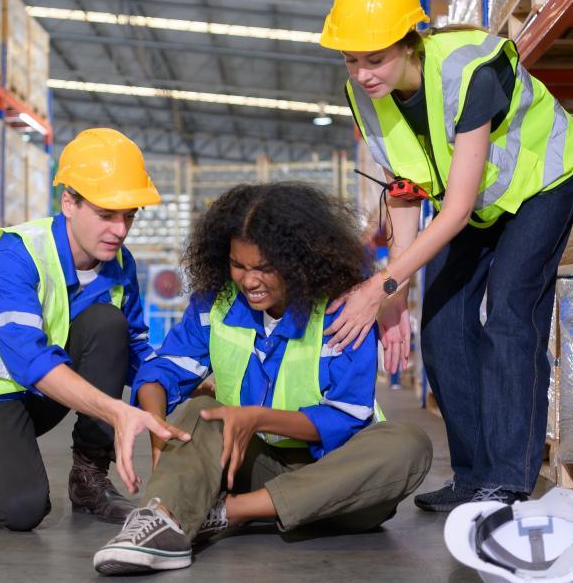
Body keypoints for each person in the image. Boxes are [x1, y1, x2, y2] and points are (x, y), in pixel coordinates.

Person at [317, 0, 573, 512]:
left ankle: (509, 481)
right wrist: (393, 296)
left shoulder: (469, 70)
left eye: (376, 58)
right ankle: (473, 477)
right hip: (475, 204)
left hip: (541, 182)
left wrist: (380, 287)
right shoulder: (365, 96)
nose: (364, 74)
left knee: (510, 312)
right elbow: (404, 189)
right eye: (351, 60)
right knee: (441, 325)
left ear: (409, 43)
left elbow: (458, 209)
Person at [92, 182, 432, 574]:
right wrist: (155, 426)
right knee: (201, 410)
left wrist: (256, 418)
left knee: (409, 444)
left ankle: (225, 513)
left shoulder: (343, 310)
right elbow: (163, 370)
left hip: (340, 481)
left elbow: (348, 417)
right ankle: (160, 519)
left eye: (264, 269)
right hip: (249, 465)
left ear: (299, 261)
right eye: (239, 265)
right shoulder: (215, 304)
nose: (249, 280)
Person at [0, 128, 190, 531]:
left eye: (129, 216)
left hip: (42, 396)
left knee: (109, 323)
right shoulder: (14, 256)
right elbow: (29, 358)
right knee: (22, 511)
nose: (120, 230)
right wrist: (117, 410)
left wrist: (187, 380)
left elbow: (136, 349)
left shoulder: (120, 265)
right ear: (69, 203)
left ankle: (88, 479)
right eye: (106, 214)